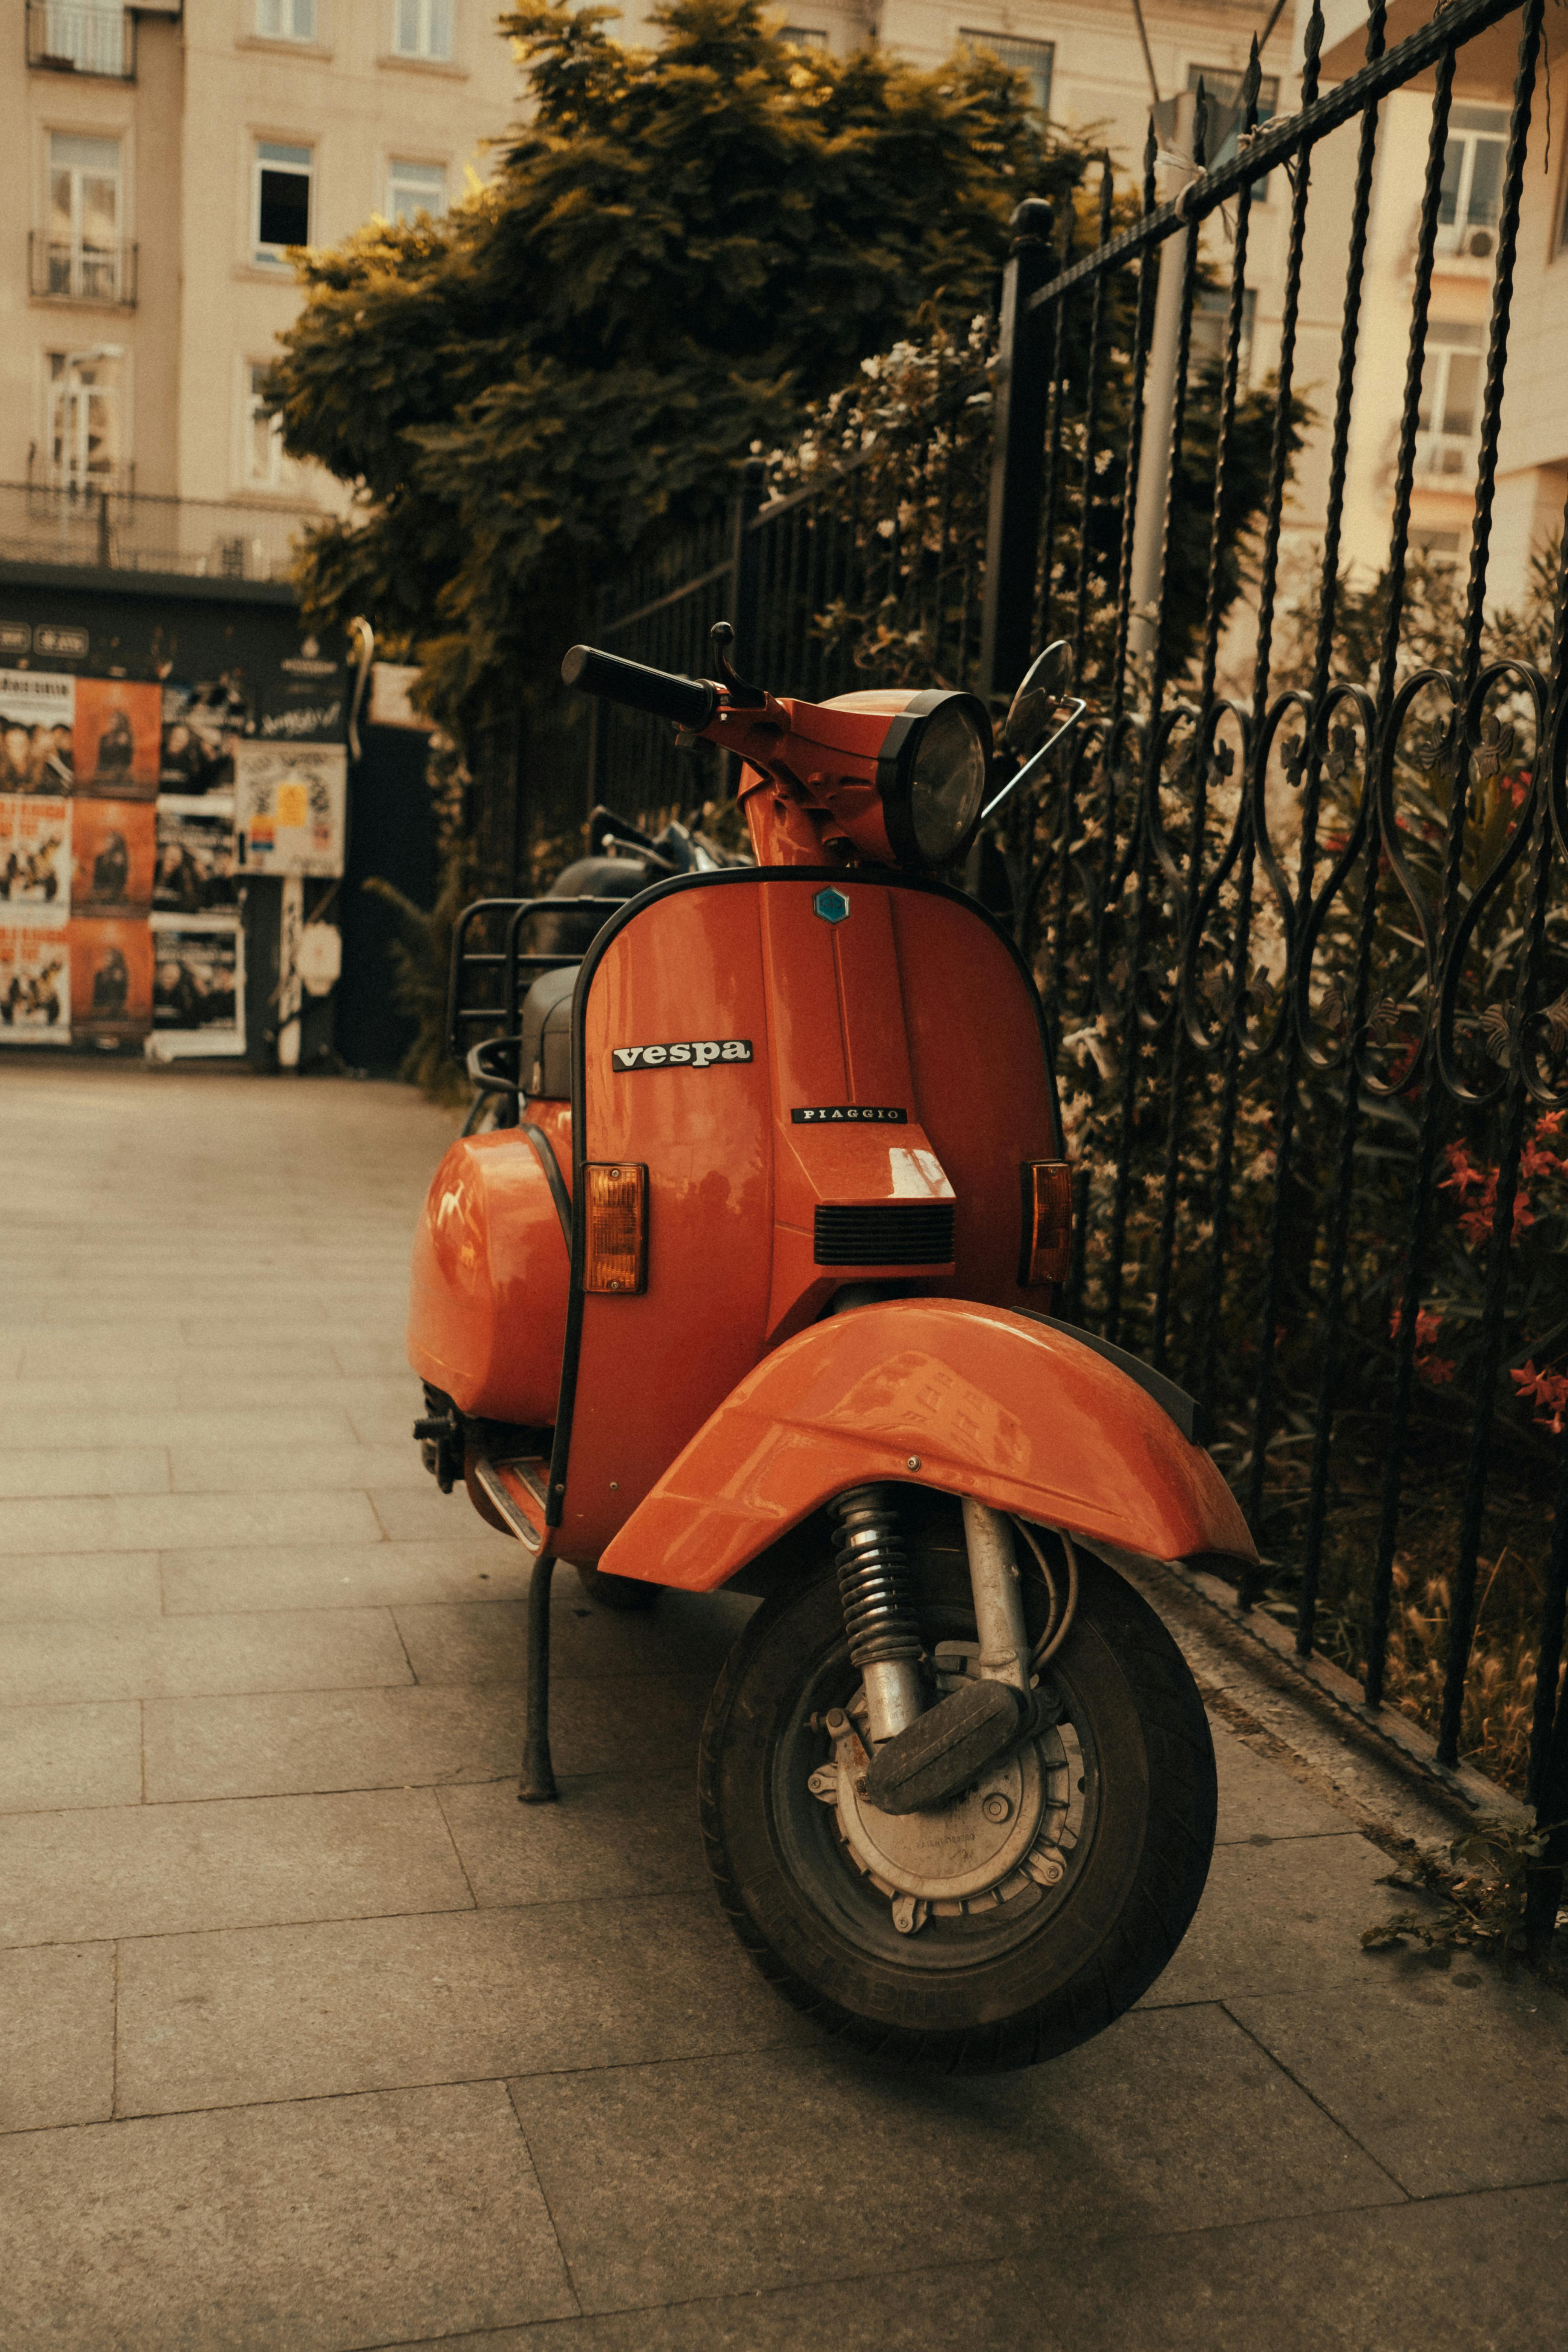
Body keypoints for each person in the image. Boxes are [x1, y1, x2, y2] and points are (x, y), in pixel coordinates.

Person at [92, 705, 135, 781]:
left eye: (116, 721)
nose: (112, 724)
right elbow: (101, 759)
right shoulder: (104, 739)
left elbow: (127, 761)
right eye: (112, 721)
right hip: (104, 773)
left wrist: (123, 745)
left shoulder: (126, 738)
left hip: (120, 775)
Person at [91, 830, 129, 901]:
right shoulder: (100, 859)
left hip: (114, 896)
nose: (107, 846)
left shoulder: (121, 861)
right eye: (107, 843)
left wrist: (118, 865)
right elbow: (96, 881)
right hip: (99, 894)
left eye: (111, 844)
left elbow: (120, 884)